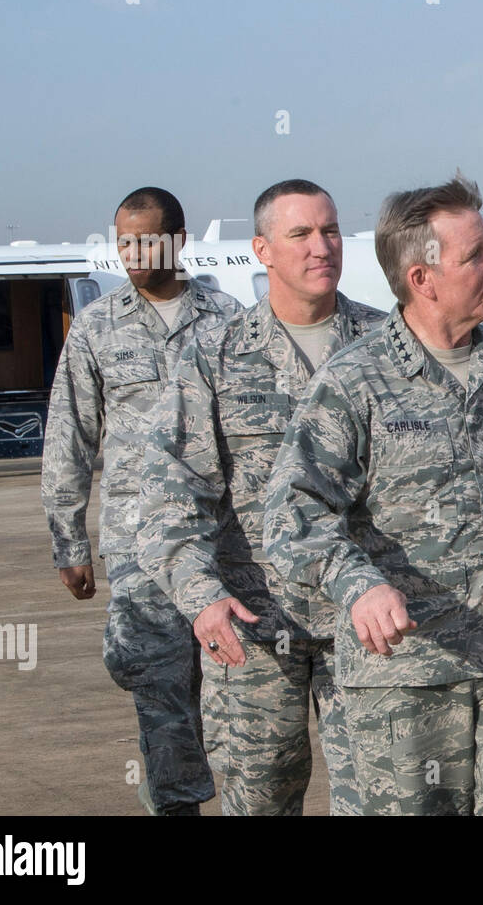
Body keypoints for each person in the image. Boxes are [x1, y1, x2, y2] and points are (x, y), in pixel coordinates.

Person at [263, 174, 483, 815]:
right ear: (423, 279)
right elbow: (293, 510)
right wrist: (357, 585)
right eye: (476, 256)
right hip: (406, 684)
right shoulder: (354, 382)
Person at [138, 180, 385, 815]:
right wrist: (202, 600)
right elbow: (170, 498)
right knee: (260, 802)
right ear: (262, 250)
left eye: (329, 231)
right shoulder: (215, 355)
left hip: (365, 626)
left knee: (382, 800)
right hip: (253, 628)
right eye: (300, 234)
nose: (320, 247)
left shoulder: (386, 347)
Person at [41, 187, 240, 815]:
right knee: (157, 686)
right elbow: (69, 434)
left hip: (224, 542)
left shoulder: (228, 318)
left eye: (145, 240)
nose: (131, 254)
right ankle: (175, 808)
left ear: (178, 241)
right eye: (121, 240)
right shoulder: (98, 326)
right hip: (137, 545)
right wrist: (68, 541)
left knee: (234, 689)